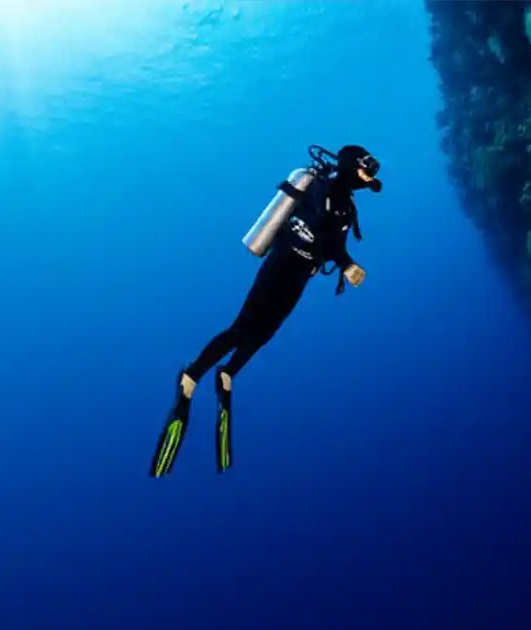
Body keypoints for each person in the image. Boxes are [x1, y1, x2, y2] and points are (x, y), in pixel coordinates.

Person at [149, 144, 383, 477]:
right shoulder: (323, 189)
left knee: (266, 332)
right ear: (350, 166)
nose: (368, 176)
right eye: (365, 168)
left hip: (301, 275)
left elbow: (334, 243)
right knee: (243, 327)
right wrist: (347, 265)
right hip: (281, 264)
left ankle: (228, 373)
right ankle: (191, 377)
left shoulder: (346, 205)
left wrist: (344, 261)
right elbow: (325, 234)